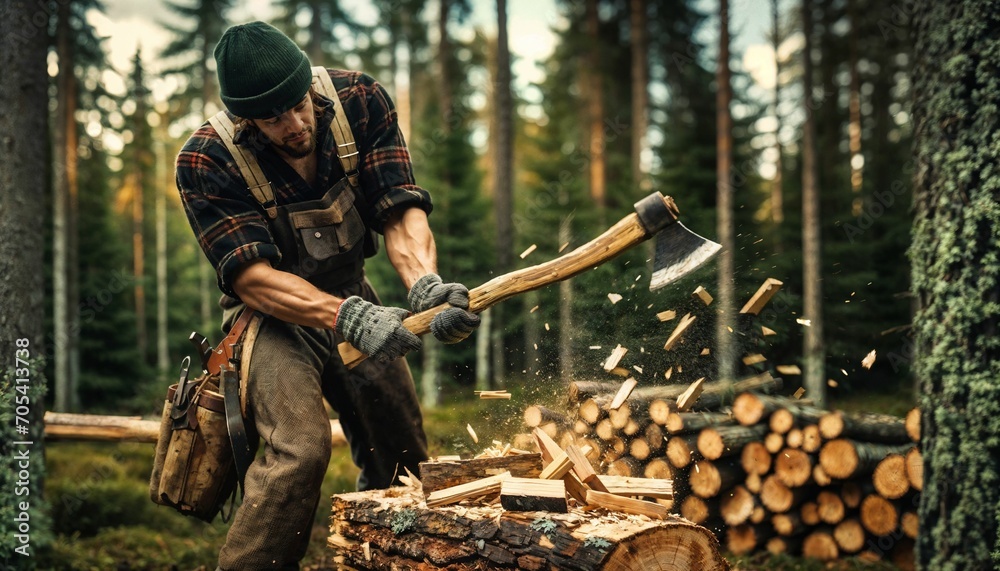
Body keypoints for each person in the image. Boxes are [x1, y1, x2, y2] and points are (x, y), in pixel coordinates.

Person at [175, 21, 480, 571]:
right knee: (300, 451)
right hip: (270, 318)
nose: (293, 125)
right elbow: (251, 278)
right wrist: (346, 317)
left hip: (350, 290)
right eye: (273, 118)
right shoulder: (205, 160)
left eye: (299, 106)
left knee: (403, 450)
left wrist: (424, 287)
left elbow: (398, 208)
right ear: (245, 117)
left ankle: (378, 558)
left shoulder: (361, 100)